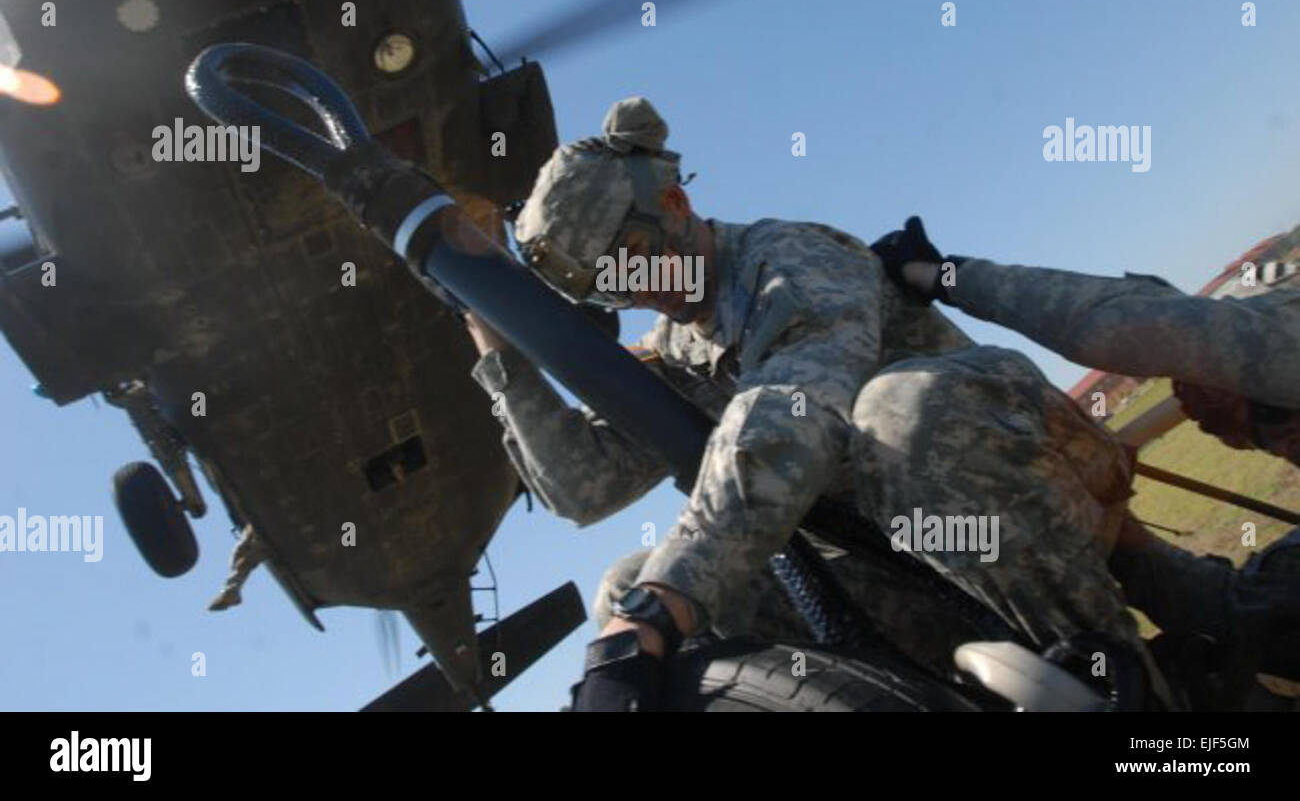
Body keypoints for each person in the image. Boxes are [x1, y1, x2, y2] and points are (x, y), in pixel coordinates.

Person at [464, 97, 1170, 711]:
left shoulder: (791, 264)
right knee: (624, 582)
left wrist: (661, 607)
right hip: (898, 568)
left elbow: (784, 420)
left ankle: (1126, 679)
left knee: (898, 412)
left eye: (638, 254)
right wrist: (490, 326)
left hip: (1019, 507)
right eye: (607, 289)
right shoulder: (677, 349)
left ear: (674, 204)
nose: (640, 289)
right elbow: (582, 485)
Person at [870, 215, 1300, 694]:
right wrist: (1124, 535)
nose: (1183, 398)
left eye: (1187, 372)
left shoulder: (1277, 344)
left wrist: (942, 275)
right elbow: (1239, 612)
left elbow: (1140, 321)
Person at [208, 524, 267, 612]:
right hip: (245, 563)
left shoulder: (228, 589)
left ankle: (254, 535)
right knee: (243, 557)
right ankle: (257, 540)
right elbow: (237, 598)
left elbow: (235, 593)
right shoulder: (230, 590)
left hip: (242, 563)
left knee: (241, 555)